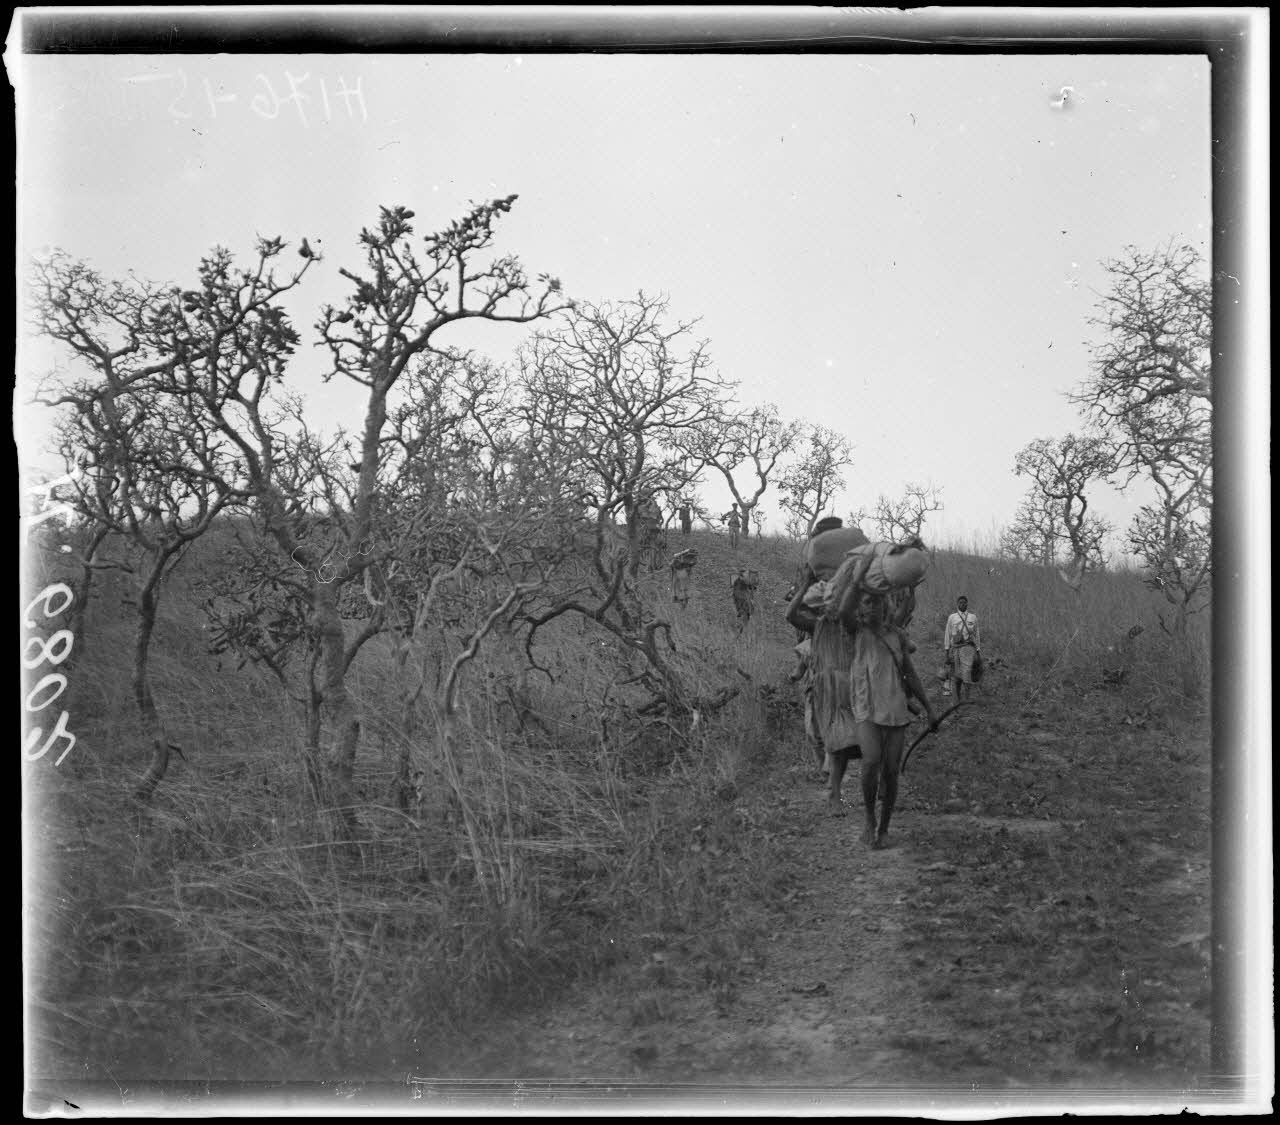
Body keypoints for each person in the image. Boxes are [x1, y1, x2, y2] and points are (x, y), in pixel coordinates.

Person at [848, 590, 939, 849]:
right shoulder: (856, 631)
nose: (872, 607)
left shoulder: (897, 636)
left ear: (885, 606)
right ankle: (869, 819)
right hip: (866, 709)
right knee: (871, 762)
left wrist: (930, 709)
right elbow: (844, 610)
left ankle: (885, 828)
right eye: (867, 602)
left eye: (877, 602)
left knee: (890, 770)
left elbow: (910, 673)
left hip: (896, 710)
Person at [787, 570, 860, 815]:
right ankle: (835, 795)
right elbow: (790, 615)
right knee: (835, 741)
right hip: (825, 690)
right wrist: (806, 584)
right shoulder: (815, 626)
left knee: (849, 741)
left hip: (850, 687)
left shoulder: (850, 625)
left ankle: (838, 790)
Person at [943, 594, 981, 700]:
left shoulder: (973, 617)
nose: (962, 604)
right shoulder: (952, 617)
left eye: (964, 602)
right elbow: (948, 634)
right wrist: (946, 651)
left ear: (967, 604)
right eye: (960, 602)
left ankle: (967, 698)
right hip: (955, 648)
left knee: (967, 672)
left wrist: (978, 650)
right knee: (954, 674)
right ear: (957, 604)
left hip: (968, 648)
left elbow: (977, 635)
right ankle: (956, 699)